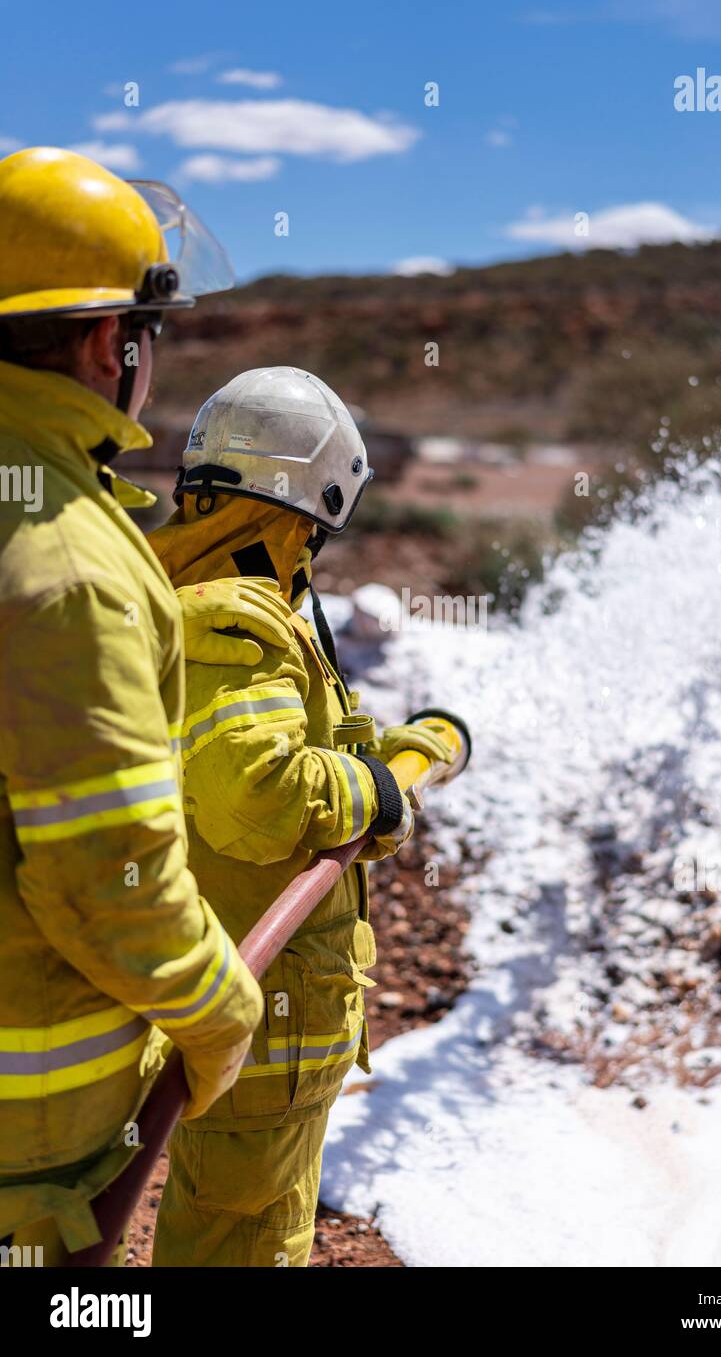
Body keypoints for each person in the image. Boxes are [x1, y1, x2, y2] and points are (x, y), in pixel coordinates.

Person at [0, 148, 289, 1264]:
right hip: (28, 1154)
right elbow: (106, 875)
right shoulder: (67, 563)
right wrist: (222, 1011)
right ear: (103, 343)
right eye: (146, 333)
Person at [149, 366, 455, 1266]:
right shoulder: (235, 619)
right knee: (244, 1239)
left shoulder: (190, 600)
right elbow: (261, 794)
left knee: (250, 1217)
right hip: (264, 1010)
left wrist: (395, 748)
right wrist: (380, 792)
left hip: (247, 1004)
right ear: (314, 500)